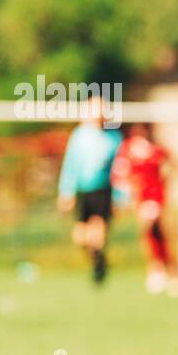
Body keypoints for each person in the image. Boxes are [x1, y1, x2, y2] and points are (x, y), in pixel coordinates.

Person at [57, 96, 125, 285]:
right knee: (80, 237)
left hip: (103, 192)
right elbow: (71, 165)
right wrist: (66, 192)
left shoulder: (113, 138)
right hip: (84, 192)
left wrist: (120, 197)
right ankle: (99, 261)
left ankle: (99, 265)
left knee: (98, 233)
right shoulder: (80, 135)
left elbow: (120, 170)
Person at [113, 122, 178, 296]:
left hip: (158, 196)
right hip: (142, 198)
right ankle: (156, 269)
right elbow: (120, 173)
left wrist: (167, 178)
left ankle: (171, 270)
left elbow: (173, 163)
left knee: (162, 233)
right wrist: (127, 190)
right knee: (148, 232)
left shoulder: (156, 150)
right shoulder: (127, 149)